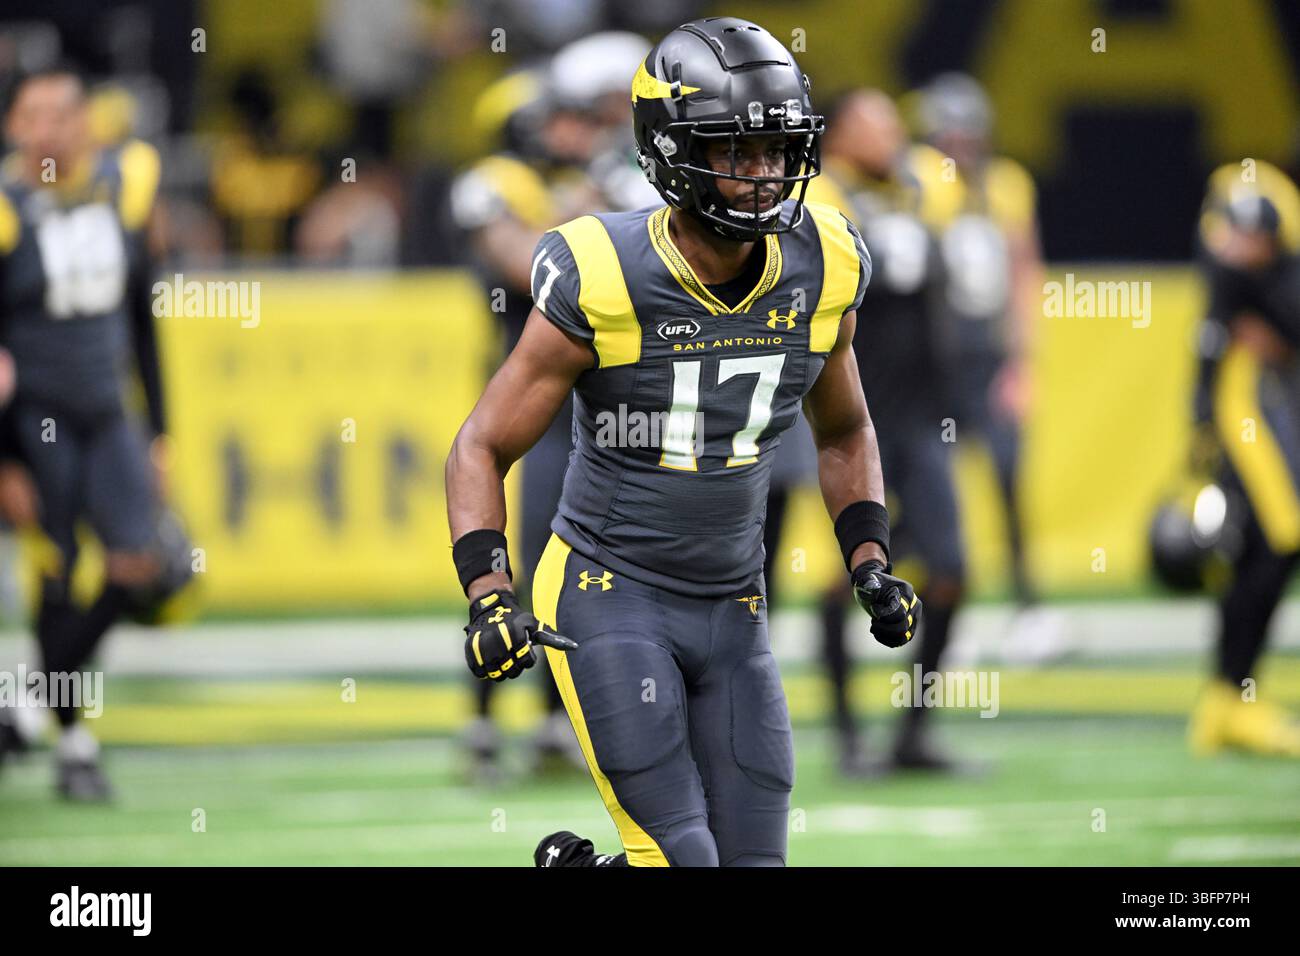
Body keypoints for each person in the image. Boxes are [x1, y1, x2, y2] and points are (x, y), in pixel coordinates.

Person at [445, 18, 921, 867]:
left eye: (776, 150)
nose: (765, 174)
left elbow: (845, 426)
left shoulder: (827, 263)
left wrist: (870, 560)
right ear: (670, 152)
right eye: (737, 151)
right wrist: (488, 592)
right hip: (607, 592)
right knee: (682, 860)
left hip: (735, 608)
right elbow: (481, 445)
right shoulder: (606, 270)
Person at [0, 64, 179, 800]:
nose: (50, 128)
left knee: (150, 568)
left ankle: (29, 707)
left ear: (89, 122)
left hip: (108, 408)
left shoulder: (126, 182)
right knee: (58, 573)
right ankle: (75, 741)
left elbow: (143, 313)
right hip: (33, 413)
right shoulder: (7, 206)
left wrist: (161, 429)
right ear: (14, 126)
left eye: (64, 112)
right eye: (35, 114)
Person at [908, 73, 1058, 663]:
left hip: (987, 357)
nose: (959, 148)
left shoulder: (1007, 185)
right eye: (949, 137)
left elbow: (1024, 270)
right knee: (926, 489)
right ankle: (938, 608)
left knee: (1007, 477)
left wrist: (1022, 361)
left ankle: (1028, 606)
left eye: (967, 136)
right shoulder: (919, 181)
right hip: (935, 360)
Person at [1186, 192, 1300, 757]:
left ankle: (1231, 696)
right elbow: (1208, 359)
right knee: (1271, 543)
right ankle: (1228, 696)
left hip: (1269, 417)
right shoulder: (1230, 282)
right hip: (1247, 422)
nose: (1235, 244)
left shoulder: (1277, 278)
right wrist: (1200, 437)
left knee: (1264, 550)